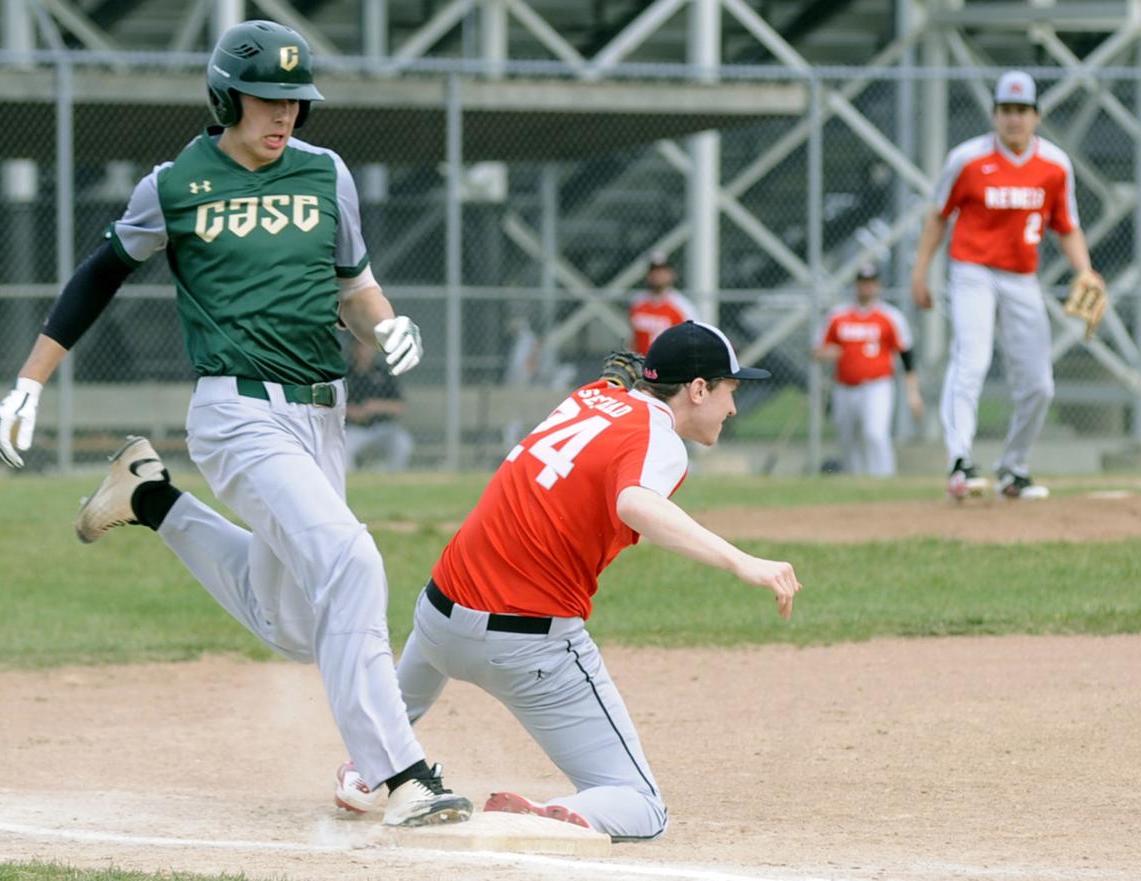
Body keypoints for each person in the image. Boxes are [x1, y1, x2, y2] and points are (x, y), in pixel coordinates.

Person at [0, 20, 471, 828]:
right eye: (266, 98)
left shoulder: (327, 175)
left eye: (296, 100)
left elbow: (354, 282)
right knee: (350, 558)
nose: (283, 115)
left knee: (293, 622)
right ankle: (400, 774)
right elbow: (97, 276)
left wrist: (386, 323)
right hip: (237, 411)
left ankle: (151, 500)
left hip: (323, 415)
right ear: (225, 97)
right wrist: (29, 381)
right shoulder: (177, 184)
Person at [336, 321, 802, 840]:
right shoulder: (661, 440)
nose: (733, 407)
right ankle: (543, 815)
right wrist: (743, 562)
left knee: (420, 672)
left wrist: (623, 387)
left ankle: (364, 766)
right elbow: (635, 502)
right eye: (729, 389)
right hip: (524, 649)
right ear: (697, 389)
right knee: (643, 809)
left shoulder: (590, 397)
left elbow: (614, 392)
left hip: (438, 618)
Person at [910, 70, 1103, 500]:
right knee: (972, 360)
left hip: (1021, 277)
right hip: (972, 271)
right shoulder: (968, 159)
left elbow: (1066, 225)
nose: (1013, 119)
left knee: (1039, 383)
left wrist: (1085, 271)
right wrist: (920, 272)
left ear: (1036, 116)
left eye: (1022, 111)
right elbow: (938, 216)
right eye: (1006, 110)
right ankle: (959, 462)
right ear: (994, 114)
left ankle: (1013, 469)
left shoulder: (1054, 165)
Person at [814, 261, 924, 476]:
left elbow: (907, 356)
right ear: (856, 285)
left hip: (877, 386)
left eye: (871, 283)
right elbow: (817, 350)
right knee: (847, 438)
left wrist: (913, 394)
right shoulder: (838, 316)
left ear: (878, 285)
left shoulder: (890, 317)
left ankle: (883, 478)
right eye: (863, 282)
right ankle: (855, 483)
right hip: (844, 387)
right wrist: (828, 353)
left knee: (875, 434)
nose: (867, 287)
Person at [344, 339, 414, 472]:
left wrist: (374, 406)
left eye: (368, 347)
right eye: (360, 346)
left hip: (382, 426)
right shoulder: (345, 372)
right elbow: (333, 404)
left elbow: (399, 406)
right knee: (342, 448)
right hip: (354, 428)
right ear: (353, 349)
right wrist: (352, 411)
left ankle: (392, 478)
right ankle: (353, 481)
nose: (364, 351)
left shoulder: (383, 372)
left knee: (402, 443)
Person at [628, 252, 700, 355]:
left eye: (662, 271)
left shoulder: (682, 306)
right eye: (654, 270)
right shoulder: (637, 302)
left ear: (671, 274)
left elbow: (694, 339)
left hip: (670, 367)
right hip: (641, 364)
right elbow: (633, 339)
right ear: (647, 275)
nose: (658, 275)